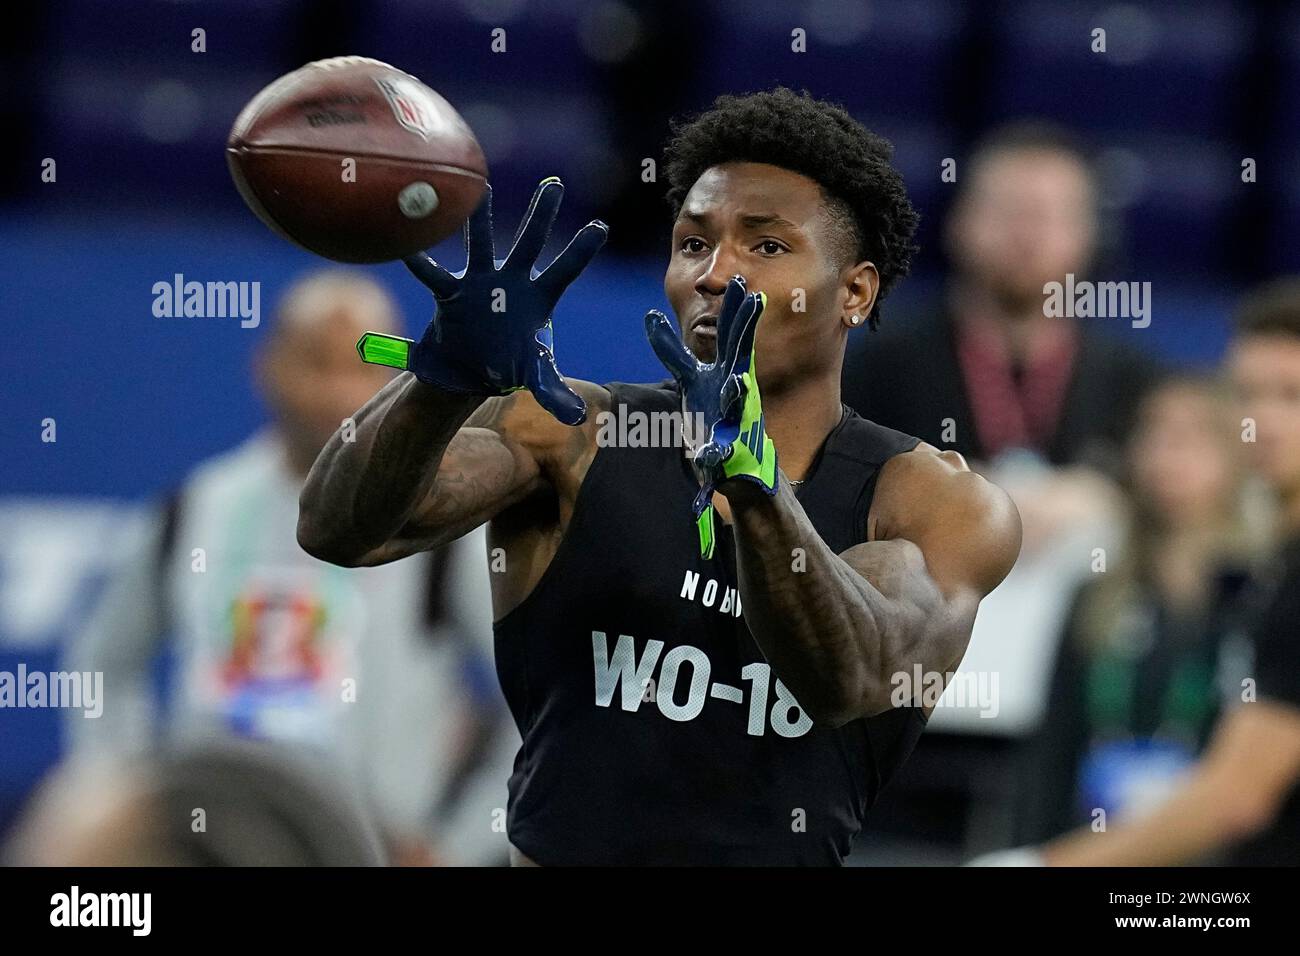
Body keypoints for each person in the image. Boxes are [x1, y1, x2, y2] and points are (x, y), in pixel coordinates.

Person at [298, 88, 1022, 866]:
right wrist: (440, 379)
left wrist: (753, 481)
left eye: (766, 247)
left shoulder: (936, 501)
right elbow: (338, 530)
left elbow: (851, 673)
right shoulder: (571, 432)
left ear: (855, 291)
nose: (715, 275)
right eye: (692, 244)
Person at [65, 270, 515, 866]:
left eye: (362, 364)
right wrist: (132, 796)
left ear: (402, 378)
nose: (337, 393)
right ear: (267, 365)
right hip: (209, 843)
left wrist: (453, 848)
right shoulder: (195, 508)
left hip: (367, 848)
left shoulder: (444, 524)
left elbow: (531, 698)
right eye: (315, 363)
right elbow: (105, 661)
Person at [977, 279, 1300, 866]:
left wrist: (1045, 868)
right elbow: (1051, 758)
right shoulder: (1102, 593)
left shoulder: (1268, 585)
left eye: (1290, 395)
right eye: (1248, 395)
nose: (1264, 421)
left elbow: (1237, 796)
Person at [1017, 374, 1266, 846]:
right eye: (1153, 432)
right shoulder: (1095, 595)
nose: (1167, 452)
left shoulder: (1256, 599)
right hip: (1092, 838)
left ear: (1236, 453)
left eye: (1193, 435)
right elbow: (1050, 755)